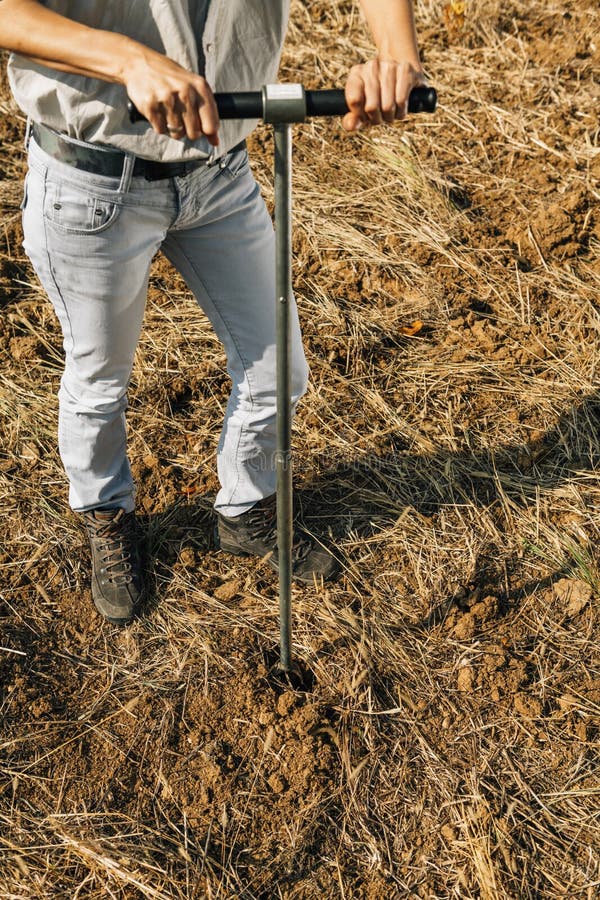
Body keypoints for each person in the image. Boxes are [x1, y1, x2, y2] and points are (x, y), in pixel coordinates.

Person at [0, 0, 426, 624]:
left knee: (278, 366)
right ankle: (107, 513)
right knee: (99, 381)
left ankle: (248, 507)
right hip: (92, 180)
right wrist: (129, 60)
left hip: (221, 173)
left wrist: (396, 55)